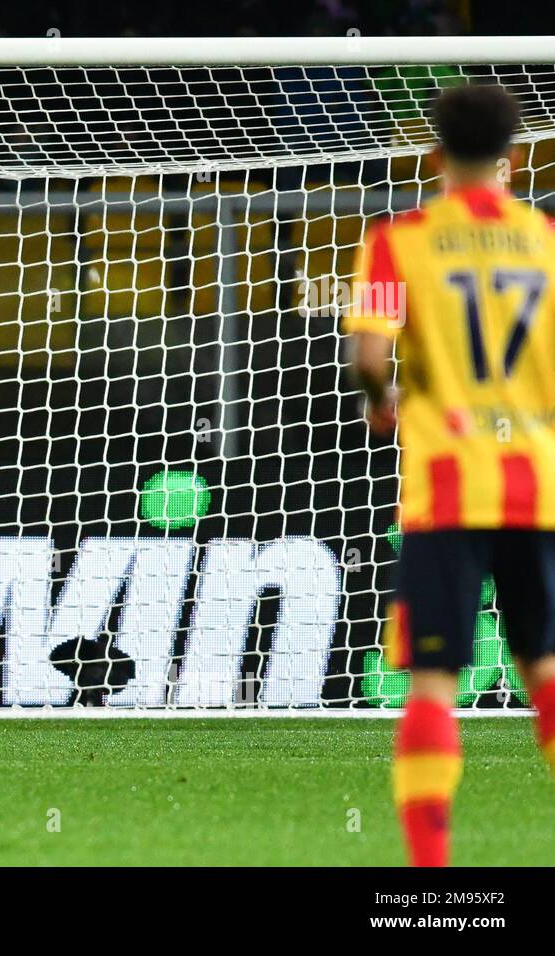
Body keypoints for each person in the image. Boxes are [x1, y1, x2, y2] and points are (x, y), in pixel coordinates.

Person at [346, 83, 555, 866]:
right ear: (510, 160)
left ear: (434, 155)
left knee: (436, 676)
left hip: (444, 486)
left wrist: (383, 399)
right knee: (545, 668)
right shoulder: (546, 241)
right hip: (536, 484)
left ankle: (431, 876)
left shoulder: (400, 239)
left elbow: (371, 354)